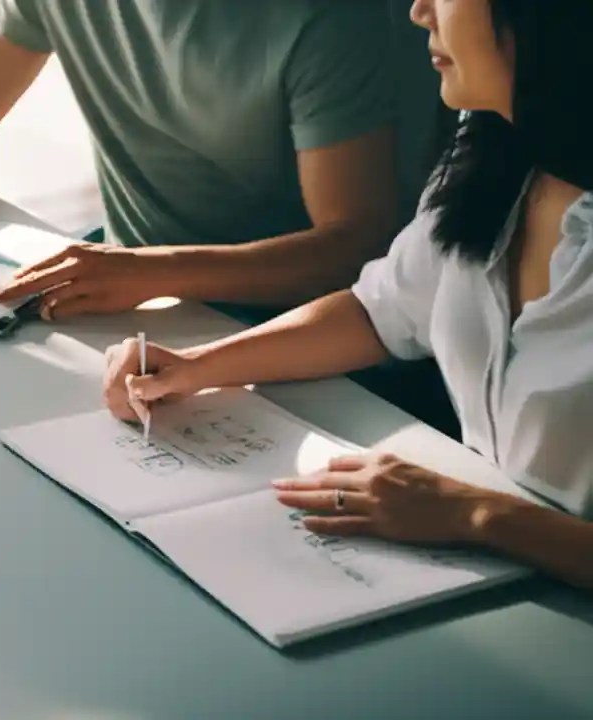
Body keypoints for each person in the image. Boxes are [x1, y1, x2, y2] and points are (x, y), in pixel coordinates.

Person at [103, 0, 593, 590]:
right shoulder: (499, 152)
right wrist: (199, 366)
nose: (419, 12)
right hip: (496, 584)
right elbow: (377, 311)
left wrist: (479, 515)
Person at [0, 0, 438, 323]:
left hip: (303, 335)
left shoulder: (327, 18)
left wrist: (152, 272)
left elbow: (356, 248)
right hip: (126, 298)